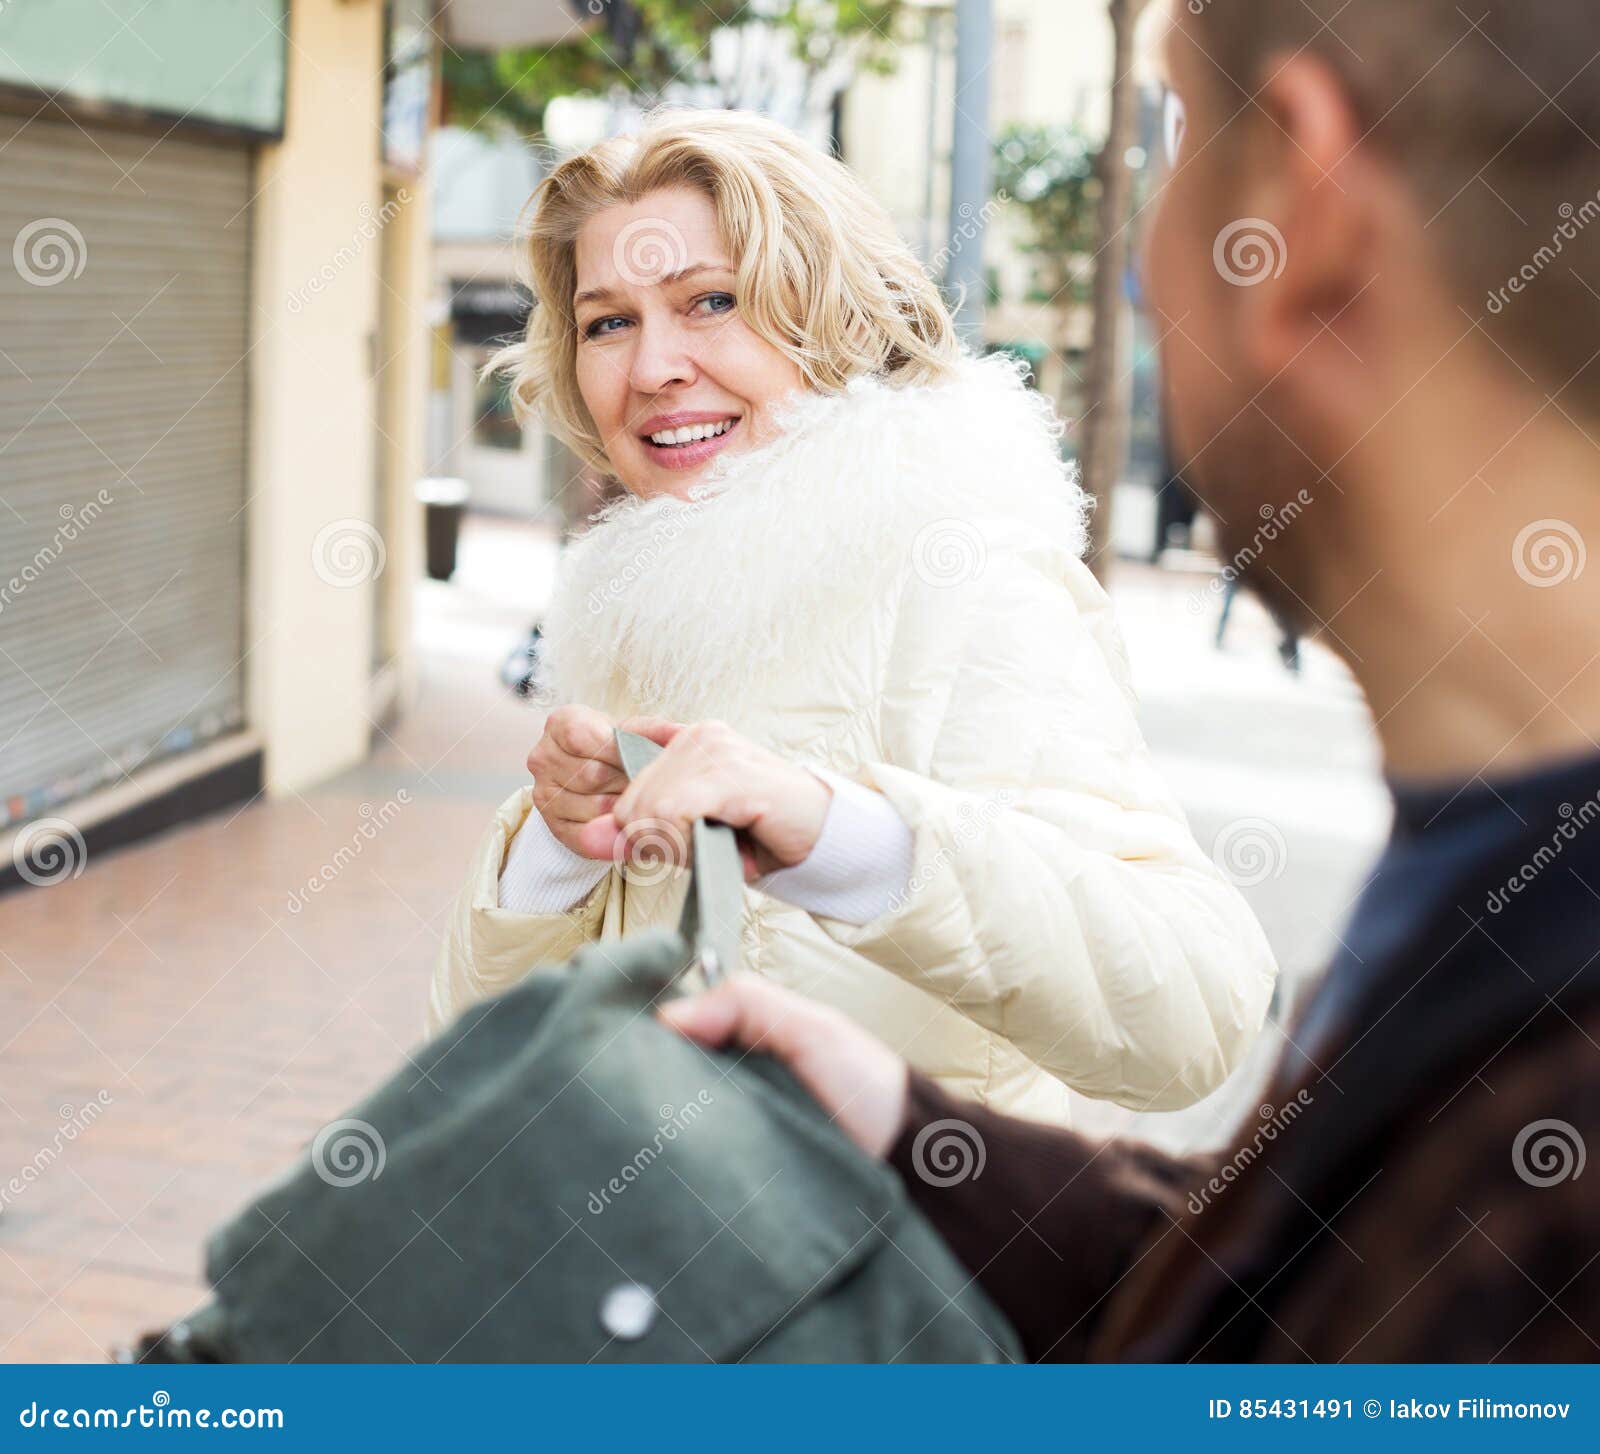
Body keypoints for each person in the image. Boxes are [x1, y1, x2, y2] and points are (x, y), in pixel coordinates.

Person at [660, 0, 1600, 1359]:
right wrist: (913, 1136)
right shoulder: (1506, 875)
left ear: (1295, 202)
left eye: (1172, 138)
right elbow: (1314, 1300)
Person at [430, 110, 1278, 1124]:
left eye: (711, 301)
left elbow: (1193, 1013)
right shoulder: (638, 617)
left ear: (830, 312)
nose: (652, 366)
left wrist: (842, 837)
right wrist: (559, 851)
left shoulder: (957, 578)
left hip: (906, 1266)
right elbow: (475, 1061)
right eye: (608, 320)